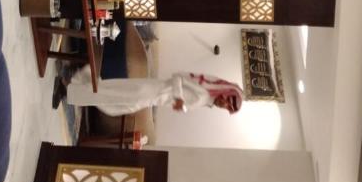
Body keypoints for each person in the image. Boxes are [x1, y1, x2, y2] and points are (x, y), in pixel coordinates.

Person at [53, 68, 243, 116]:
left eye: (228, 108)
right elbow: (177, 77)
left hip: (151, 99)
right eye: (228, 101)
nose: (225, 105)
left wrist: (180, 103)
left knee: (111, 101)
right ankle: (66, 89)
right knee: (110, 97)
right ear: (225, 94)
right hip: (151, 91)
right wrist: (178, 99)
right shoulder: (203, 92)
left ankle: (72, 84)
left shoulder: (206, 102)